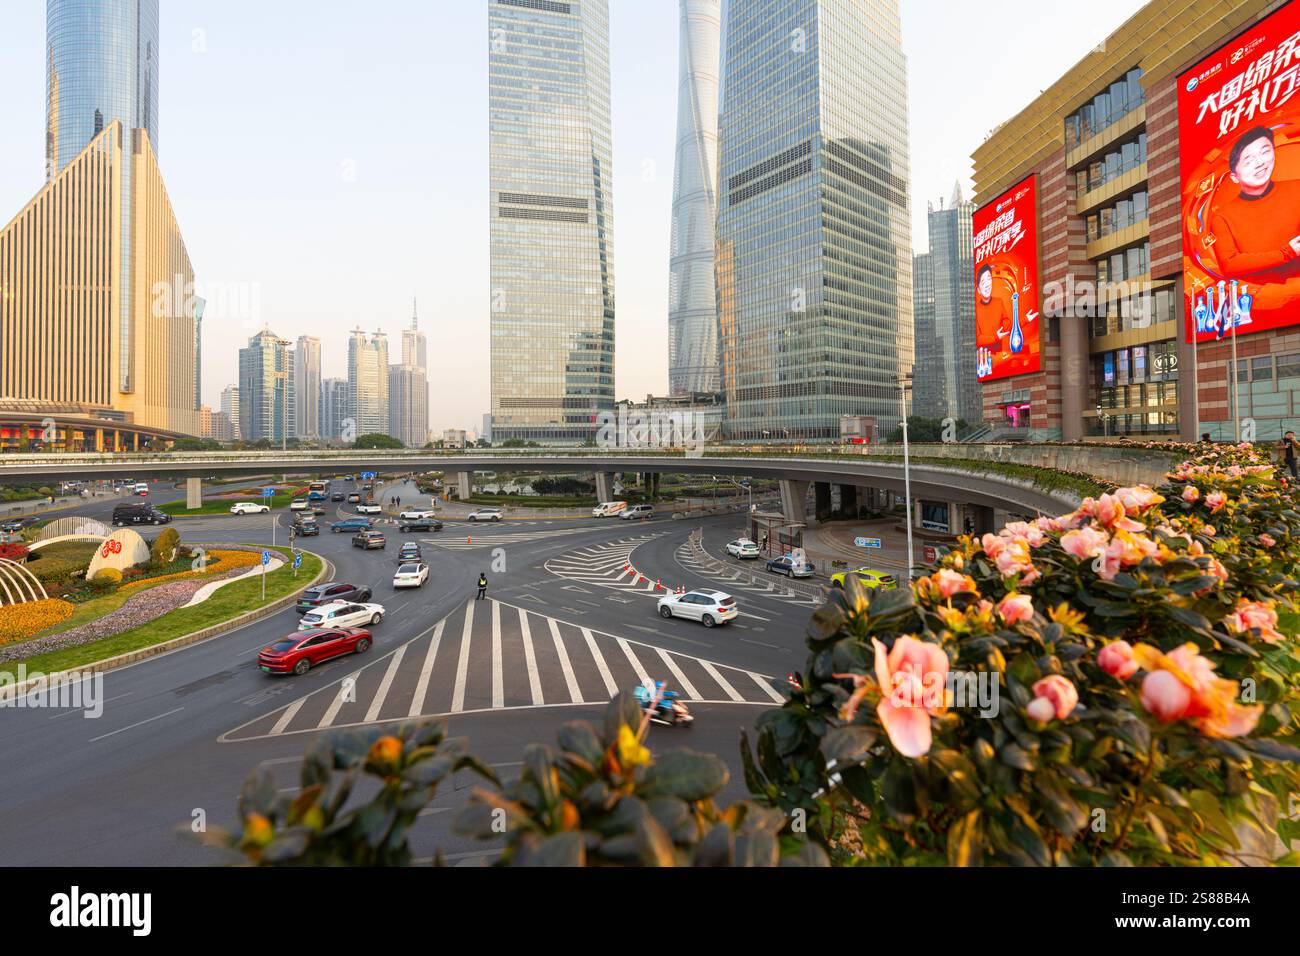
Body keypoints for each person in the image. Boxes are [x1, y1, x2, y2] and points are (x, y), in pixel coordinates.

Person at [1207, 126, 1300, 283]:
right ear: (1234, 177)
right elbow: (1230, 265)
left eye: (1265, 152)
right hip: (1257, 302)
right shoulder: (1222, 217)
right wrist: (1286, 253)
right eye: (1248, 161)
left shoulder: (1297, 188)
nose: (1260, 163)